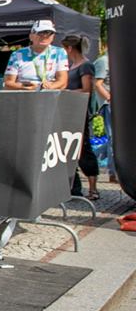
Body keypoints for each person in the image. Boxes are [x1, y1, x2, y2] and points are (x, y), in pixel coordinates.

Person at [62, 35, 99, 200]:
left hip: (80, 112)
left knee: (84, 148)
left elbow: (86, 90)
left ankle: (93, 189)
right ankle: (73, 187)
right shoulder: (72, 66)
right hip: (69, 112)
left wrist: (66, 93)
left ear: (69, 48)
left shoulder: (86, 66)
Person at [3, 19, 68, 91]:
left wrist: (48, 87)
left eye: (49, 33)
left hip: (49, 96)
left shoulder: (59, 52)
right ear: (31, 36)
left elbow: (63, 82)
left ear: (53, 37)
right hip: (24, 96)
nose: (45, 36)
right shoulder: (17, 54)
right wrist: (23, 86)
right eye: (40, 33)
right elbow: (7, 84)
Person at [92, 49, 114, 183]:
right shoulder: (104, 61)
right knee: (114, 139)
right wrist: (109, 98)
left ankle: (92, 156)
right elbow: (97, 84)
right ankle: (113, 173)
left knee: (117, 139)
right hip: (109, 105)